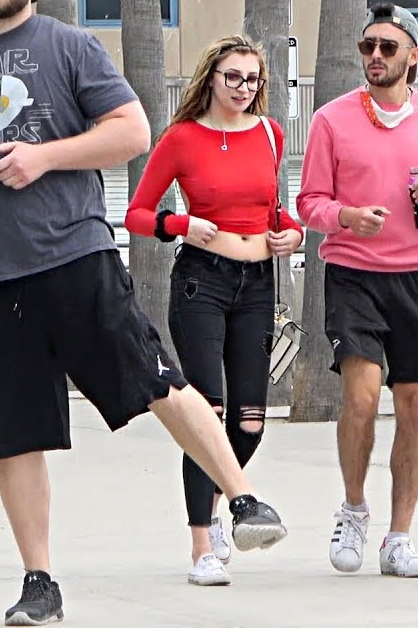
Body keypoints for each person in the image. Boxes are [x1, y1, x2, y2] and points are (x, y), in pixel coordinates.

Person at [0, 0, 287, 624]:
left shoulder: (69, 45)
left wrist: (45, 156)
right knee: (15, 433)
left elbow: (131, 132)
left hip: (75, 256)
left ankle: (242, 498)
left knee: (155, 377)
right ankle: (39, 581)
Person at [297, 3, 418, 578]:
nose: (375, 56)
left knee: (415, 404)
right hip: (353, 273)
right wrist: (347, 217)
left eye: (388, 47)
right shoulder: (331, 119)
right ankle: (353, 509)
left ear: (413, 55)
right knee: (361, 395)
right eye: (367, 46)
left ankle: (399, 538)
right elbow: (309, 203)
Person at [125, 35, 304, 587]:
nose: (244, 88)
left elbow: (272, 209)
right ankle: (202, 545)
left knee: (249, 422)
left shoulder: (269, 134)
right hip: (201, 282)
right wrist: (183, 225)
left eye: (253, 80)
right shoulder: (182, 137)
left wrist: (292, 233)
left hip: (258, 284)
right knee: (207, 412)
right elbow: (137, 214)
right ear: (211, 78)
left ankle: (228, 497)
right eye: (233, 77)